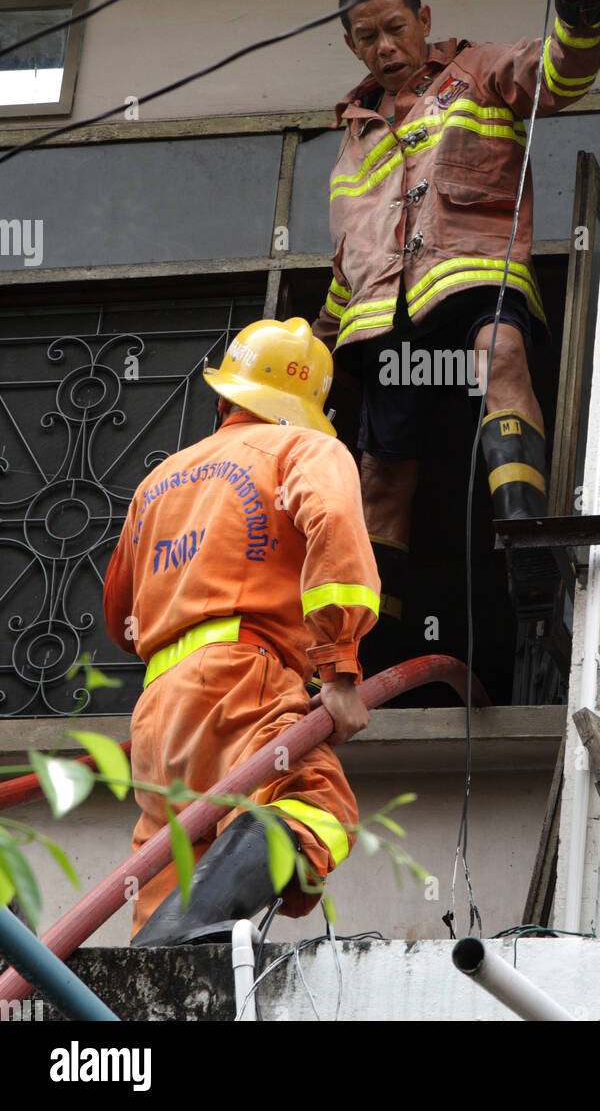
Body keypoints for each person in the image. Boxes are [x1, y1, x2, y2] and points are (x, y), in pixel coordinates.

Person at [312, 0, 600, 665]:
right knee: (382, 474)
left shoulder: (477, 71)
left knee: (500, 355)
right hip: (389, 322)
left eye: (394, 28)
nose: (384, 46)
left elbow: (560, 78)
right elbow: (346, 263)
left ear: (423, 18)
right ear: (353, 47)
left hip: (475, 278)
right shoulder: (353, 139)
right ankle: (364, 650)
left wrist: (583, 5)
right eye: (367, 37)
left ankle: (522, 544)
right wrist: (314, 346)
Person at [102, 317, 379, 945]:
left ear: (226, 396)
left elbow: (121, 616)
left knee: (174, 865)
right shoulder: (305, 450)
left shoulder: (156, 481)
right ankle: (177, 941)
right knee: (315, 804)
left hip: (155, 710)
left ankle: (159, 974)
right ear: (304, 406)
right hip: (238, 677)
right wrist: (338, 668)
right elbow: (334, 525)